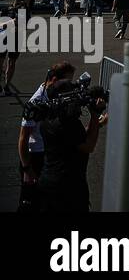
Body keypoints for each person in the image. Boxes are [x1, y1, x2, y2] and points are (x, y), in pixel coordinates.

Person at [36, 75, 106, 214]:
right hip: (69, 187)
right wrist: (95, 114)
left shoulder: (48, 117)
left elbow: (76, 139)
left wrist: (99, 123)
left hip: (48, 181)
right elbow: (88, 146)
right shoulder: (67, 123)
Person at [18, 61, 77, 213]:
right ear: (55, 80)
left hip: (47, 154)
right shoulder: (36, 102)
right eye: (68, 81)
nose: (70, 85)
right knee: (29, 202)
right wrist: (26, 168)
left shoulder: (54, 95)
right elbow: (23, 138)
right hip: (35, 157)